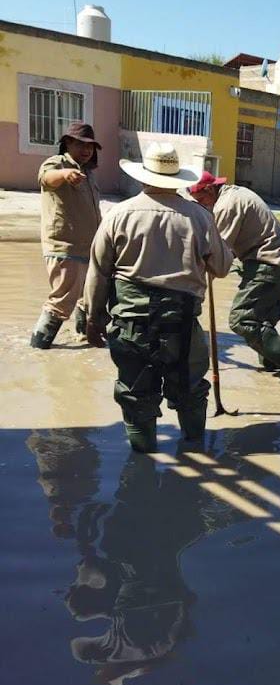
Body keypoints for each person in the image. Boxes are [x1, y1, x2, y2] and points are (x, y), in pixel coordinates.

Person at [83, 143, 232, 453]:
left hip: (132, 326)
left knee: (136, 394)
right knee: (190, 390)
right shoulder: (200, 216)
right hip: (182, 326)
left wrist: (93, 318)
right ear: (177, 177)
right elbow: (221, 266)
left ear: (143, 177)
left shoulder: (118, 214)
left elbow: (98, 272)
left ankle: (142, 466)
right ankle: (194, 450)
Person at [207, 180, 280, 385]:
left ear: (209, 190)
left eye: (200, 200)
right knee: (261, 321)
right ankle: (275, 362)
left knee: (241, 320)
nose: (202, 206)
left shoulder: (226, 204)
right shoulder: (235, 194)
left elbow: (220, 254)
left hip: (269, 265)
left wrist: (197, 280)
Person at [31, 122, 102, 349]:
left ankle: (84, 339)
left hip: (88, 247)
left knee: (87, 299)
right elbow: (46, 178)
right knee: (62, 300)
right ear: (67, 143)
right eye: (81, 144)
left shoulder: (88, 174)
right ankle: (38, 348)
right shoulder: (58, 164)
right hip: (65, 246)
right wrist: (64, 173)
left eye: (90, 146)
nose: (87, 150)